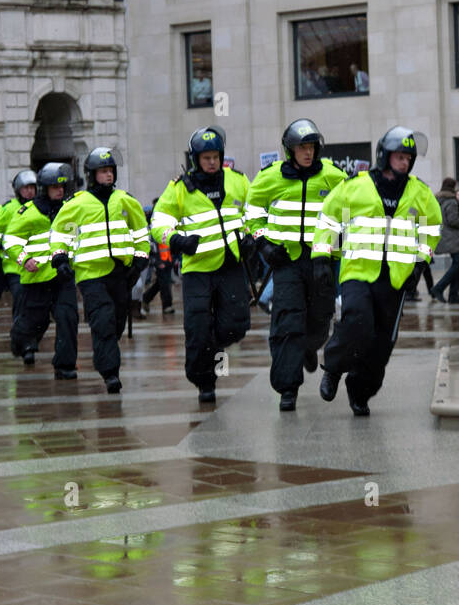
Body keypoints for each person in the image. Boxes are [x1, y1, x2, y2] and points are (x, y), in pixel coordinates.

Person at [312, 126, 442, 416]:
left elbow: (431, 230)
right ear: (384, 155)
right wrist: (321, 256)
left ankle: (360, 392)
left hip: (396, 279)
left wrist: (420, 264)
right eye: (399, 156)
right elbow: (329, 220)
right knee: (358, 320)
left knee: (382, 344)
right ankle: (333, 368)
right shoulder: (354, 186)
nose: (405, 162)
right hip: (358, 270)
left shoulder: (419, 193)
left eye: (409, 158)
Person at [245, 119, 349, 411]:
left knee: (320, 320)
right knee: (287, 322)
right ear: (290, 150)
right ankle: (287, 388)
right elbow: (251, 215)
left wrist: (328, 253)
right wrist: (264, 244)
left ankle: (308, 347)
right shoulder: (269, 177)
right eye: (302, 147)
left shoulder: (334, 177)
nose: (308, 153)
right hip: (286, 261)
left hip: (322, 261)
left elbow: (345, 217)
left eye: (312, 147)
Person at [151, 128, 253, 403]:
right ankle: (204, 381)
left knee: (236, 325)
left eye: (215, 156)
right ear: (196, 159)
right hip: (197, 270)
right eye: (206, 157)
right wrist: (176, 240)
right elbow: (158, 221)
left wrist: (250, 237)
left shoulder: (238, 181)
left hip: (230, 265)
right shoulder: (179, 189)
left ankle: (214, 345)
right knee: (197, 329)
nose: (212, 162)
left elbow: (254, 212)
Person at [48, 148, 148, 394]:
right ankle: (110, 373)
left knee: (116, 323)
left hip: (121, 274)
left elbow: (141, 233)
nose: (108, 175)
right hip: (91, 275)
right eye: (103, 171)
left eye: (111, 171)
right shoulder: (77, 204)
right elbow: (60, 234)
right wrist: (60, 258)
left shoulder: (126, 200)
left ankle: (106, 355)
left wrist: (139, 262)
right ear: (92, 175)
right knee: (102, 322)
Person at [4, 163, 79, 379]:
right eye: (55, 187)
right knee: (34, 324)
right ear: (44, 188)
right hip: (36, 279)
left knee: (67, 319)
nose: (60, 191)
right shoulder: (27, 212)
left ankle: (65, 366)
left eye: (63, 187)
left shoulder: (70, 211)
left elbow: (76, 240)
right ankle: (19, 339)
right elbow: (9, 241)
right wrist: (24, 259)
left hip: (62, 277)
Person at [0, 170, 38, 327]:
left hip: (36, 263)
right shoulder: (7, 209)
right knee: (7, 292)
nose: (29, 191)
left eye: (32, 187)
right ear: (18, 190)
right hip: (11, 264)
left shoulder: (40, 207)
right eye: (25, 188)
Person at [428, 178, 459, 304]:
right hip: (453, 238)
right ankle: (438, 288)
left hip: (444, 236)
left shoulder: (438, 200)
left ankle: (453, 295)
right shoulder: (451, 201)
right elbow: (453, 220)